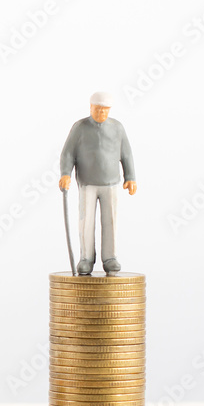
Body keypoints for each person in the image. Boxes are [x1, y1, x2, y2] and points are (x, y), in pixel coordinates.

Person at [59, 91, 137, 275]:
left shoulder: (117, 128)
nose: (101, 113)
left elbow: (126, 153)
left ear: (109, 110)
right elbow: (68, 153)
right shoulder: (79, 128)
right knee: (86, 221)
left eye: (104, 110)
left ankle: (110, 257)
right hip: (87, 183)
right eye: (97, 109)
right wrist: (65, 174)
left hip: (110, 183)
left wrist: (130, 177)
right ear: (91, 107)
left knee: (110, 220)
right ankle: (86, 258)